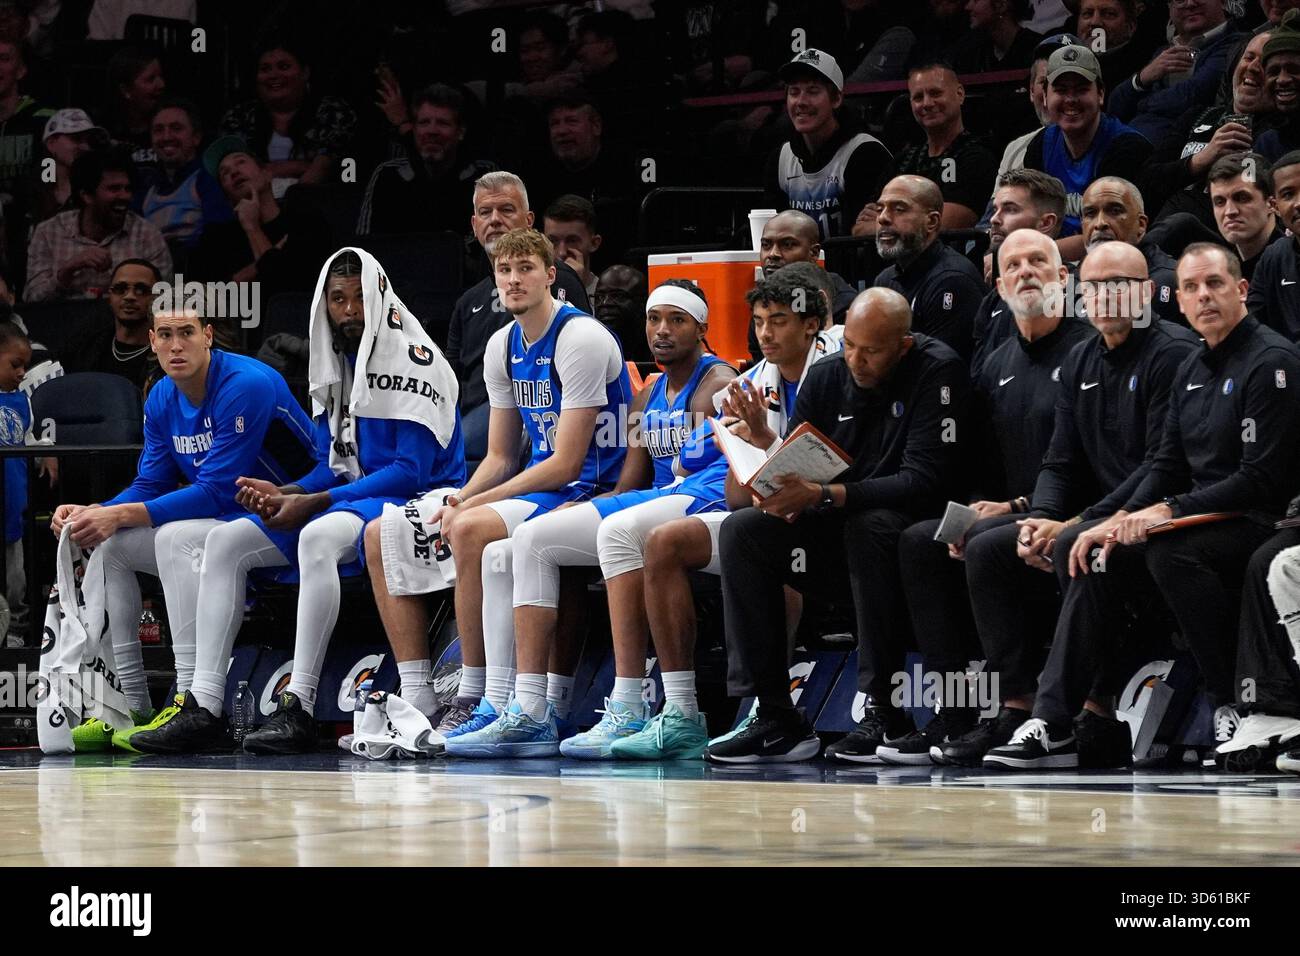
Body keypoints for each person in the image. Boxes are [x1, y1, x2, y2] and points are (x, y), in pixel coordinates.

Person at [127, 249, 467, 754]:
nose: (349, 310)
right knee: (224, 542)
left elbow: (407, 472)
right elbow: (334, 463)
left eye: (359, 299)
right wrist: (288, 492)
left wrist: (316, 500)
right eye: (338, 299)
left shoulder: (415, 361)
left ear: (380, 299)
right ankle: (203, 705)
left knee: (317, 536)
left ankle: (298, 705)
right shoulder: (338, 363)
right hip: (354, 496)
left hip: (419, 498)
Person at [984, 243, 1300, 770]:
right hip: (1199, 513)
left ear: (1242, 289)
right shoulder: (1194, 363)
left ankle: (1229, 702)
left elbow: (1260, 482)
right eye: (1192, 287)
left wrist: (1164, 511)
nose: (1204, 296)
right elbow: (1165, 464)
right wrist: (1106, 521)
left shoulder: (1272, 361)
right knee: (1092, 551)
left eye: (1215, 284)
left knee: (1170, 552)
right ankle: (1054, 722)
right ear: (1180, 297)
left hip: (1261, 519)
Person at [365, 228, 630, 747]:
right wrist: (462, 496)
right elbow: (501, 457)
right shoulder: (501, 345)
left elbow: (566, 463)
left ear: (550, 276)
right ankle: (442, 694)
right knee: (398, 528)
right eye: (504, 271)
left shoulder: (580, 337)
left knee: (469, 528)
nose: (513, 280)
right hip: (546, 488)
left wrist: (474, 506)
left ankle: (474, 693)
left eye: (525, 269)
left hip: (594, 486)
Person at [450, 279, 735, 757]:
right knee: (525, 542)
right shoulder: (647, 396)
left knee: (592, 533)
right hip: (658, 499)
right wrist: (589, 507)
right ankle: (524, 707)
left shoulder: (719, 383)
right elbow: (630, 483)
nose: (662, 331)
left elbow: (711, 466)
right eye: (654, 319)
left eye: (677, 320)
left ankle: (623, 707)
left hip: (704, 501)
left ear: (702, 328)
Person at [946, 241, 1199, 767]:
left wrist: (1077, 522)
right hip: (1100, 511)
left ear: (1145, 292)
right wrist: (1040, 517)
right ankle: (1015, 705)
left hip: (1163, 511)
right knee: (989, 549)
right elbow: (1060, 462)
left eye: (1118, 285)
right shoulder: (1082, 357)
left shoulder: (1173, 354)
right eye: (1095, 287)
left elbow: (1161, 468)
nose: (1105, 297)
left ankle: (1080, 715)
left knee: (1076, 546)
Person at [706, 287, 968, 763]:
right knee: (743, 531)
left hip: (909, 533)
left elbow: (924, 480)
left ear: (903, 346)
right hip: (835, 533)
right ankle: (775, 714)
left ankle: (884, 709)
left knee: (869, 526)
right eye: (848, 345)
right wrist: (768, 460)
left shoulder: (937, 370)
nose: (855, 360)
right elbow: (801, 464)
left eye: (871, 351)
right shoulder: (827, 375)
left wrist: (825, 495)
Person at [53, 306, 320, 753]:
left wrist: (119, 513)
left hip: (295, 511)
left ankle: (189, 699)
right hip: (231, 519)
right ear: (152, 341)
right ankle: (131, 707)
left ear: (208, 336)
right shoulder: (161, 396)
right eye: (165, 335)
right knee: (113, 545)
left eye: (187, 333)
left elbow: (215, 491)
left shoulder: (246, 384)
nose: (176, 345)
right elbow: (151, 482)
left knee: (175, 538)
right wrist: (97, 511)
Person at [607, 264, 844, 760]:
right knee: (670, 541)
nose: (766, 333)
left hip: (837, 512)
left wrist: (764, 439)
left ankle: (770, 707)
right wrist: (743, 446)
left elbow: (826, 472)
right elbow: (730, 489)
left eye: (779, 321)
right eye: (759, 322)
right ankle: (683, 712)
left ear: (812, 325)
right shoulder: (750, 383)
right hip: (772, 514)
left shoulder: (838, 373)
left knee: (761, 535)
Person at [888, 229, 1092, 764]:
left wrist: (1016, 508)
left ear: (1063, 277)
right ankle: (953, 711)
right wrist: (974, 508)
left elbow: (1087, 466)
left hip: (1074, 510)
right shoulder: (994, 363)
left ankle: (1016, 705)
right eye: (1013, 265)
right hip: (1011, 510)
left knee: (985, 546)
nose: (1026, 272)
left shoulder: (1088, 353)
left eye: (1038, 261)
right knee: (920, 541)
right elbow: (977, 460)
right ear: (999, 286)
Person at [445, 171, 591, 468]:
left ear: (529, 220)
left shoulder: (559, 278)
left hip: (534, 416)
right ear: (474, 225)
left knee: (465, 445)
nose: (495, 220)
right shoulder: (467, 302)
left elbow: (578, 365)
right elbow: (450, 381)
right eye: (485, 212)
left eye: (506, 210)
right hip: (473, 421)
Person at [1021, 44, 1151, 258]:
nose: (1070, 99)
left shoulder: (1127, 148)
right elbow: (1031, 220)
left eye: (1081, 89)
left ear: (1100, 94)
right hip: (1052, 264)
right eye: (1061, 90)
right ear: (1045, 96)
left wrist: (1029, 252)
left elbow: (1112, 236)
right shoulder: (1041, 145)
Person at [1141, 29, 1271, 227]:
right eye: (1249, 57)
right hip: (1161, 226)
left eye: (1266, 63)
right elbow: (1145, 183)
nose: (1253, 67)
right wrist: (1198, 161)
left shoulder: (1277, 135)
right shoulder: (1197, 115)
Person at [763, 48, 893, 238]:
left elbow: (860, 238)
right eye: (794, 92)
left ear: (836, 99)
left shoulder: (866, 154)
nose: (801, 101)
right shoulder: (780, 159)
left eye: (812, 91)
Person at [188, 136, 332, 305]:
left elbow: (289, 290)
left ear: (267, 174)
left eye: (241, 162)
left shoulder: (304, 222)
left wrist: (252, 228)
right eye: (224, 173)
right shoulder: (216, 239)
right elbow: (204, 299)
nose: (234, 172)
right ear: (227, 196)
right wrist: (265, 261)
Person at [24, 147, 172, 301]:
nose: (124, 196)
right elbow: (33, 299)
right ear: (86, 195)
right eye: (114, 189)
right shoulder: (48, 232)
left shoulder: (147, 235)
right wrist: (68, 270)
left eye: (127, 189)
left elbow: (163, 300)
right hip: (64, 316)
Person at [219, 40, 357, 196]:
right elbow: (234, 174)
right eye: (265, 69)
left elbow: (325, 168)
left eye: (283, 67)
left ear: (305, 72)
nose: (273, 75)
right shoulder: (238, 117)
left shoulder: (333, 111)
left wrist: (276, 173)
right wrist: (302, 166)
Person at [358, 82, 496, 238]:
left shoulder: (486, 177)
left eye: (443, 123)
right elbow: (365, 244)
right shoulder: (387, 175)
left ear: (460, 132)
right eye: (424, 123)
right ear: (414, 129)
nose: (432, 131)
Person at [873, 174, 987, 358]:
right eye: (880, 209)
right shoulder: (885, 280)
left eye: (899, 209)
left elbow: (944, 366)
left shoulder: (952, 281)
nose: (883, 218)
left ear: (932, 222)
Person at [1106, 0, 1243, 144]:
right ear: (1169, 7)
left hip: (1171, 147)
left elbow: (1191, 96)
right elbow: (1114, 107)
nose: (1190, 4)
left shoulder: (1236, 45)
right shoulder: (1163, 51)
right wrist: (1141, 79)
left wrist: (1141, 103)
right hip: (1127, 142)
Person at [972, 168, 1067, 372]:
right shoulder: (991, 300)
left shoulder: (1076, 295)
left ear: (1046, 222)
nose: (994, 219)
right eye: (995, 209)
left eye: (1010, 209)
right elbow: (980, 378)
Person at [748, 210, 859, 361]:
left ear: (814, 253)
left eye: (787, 245)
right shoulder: (764, 302)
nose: (773, 254)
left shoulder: (845, 305)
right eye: (766, 245)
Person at [134, 98, 232, 260]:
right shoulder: (146, 186)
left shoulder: (208, 178)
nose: (166, 137)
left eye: (176, 128)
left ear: (196, 137)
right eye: (158, 130)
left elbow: (218, 236)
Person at [1078, 177, 1180, 326]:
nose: (1100, 223)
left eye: (1114, 211)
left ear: (1141, 225)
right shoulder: (1072, 277)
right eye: (1090, 214)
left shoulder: (1169, 280)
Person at [57, 258, 158, 392]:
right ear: (110, 296)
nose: (129, 296)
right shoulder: (85, 348)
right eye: (120, 289)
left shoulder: (167, 355)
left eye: (141, 290)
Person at [1247, 149, 1300, 339]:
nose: (1298, 203)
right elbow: (1249, 328)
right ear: (1275, 206)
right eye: (1288, 194)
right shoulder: (1274, 257)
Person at [1208, 152, 1284, 281]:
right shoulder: (1220, 271)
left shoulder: (1291, 265)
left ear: (1272, 204)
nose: (1230, 211)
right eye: (1220, 202)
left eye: (1242, 198)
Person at [32, 108, 106, 225]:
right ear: (51, 144)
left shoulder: (99, 190)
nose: (85, 147)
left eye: (89, 141)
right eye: (76, 138)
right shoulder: (31, 191)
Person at [105, 46, 165, 162]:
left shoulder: (170, 129)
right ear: (125, 90)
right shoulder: (105, 134)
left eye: (161, 76)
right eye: (151, 79)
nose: (162, 85)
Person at [950, 0, 1044, 74]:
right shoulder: (975, 54)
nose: (968, 7)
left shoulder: (1038, 50)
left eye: (976, 0)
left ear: (1001, 6)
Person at [543, 194, 602, 299]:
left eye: (572, 241)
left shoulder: (605, 297)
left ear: (594, 243)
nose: (561, 252)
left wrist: (574, 285)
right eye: (552, 241)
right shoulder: (529, 292)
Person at [592, 264, 650, 363]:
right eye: (599, 297)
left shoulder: (658, 350)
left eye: (617, 296)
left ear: (643, 302)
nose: (605, 303)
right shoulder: (589, 348)